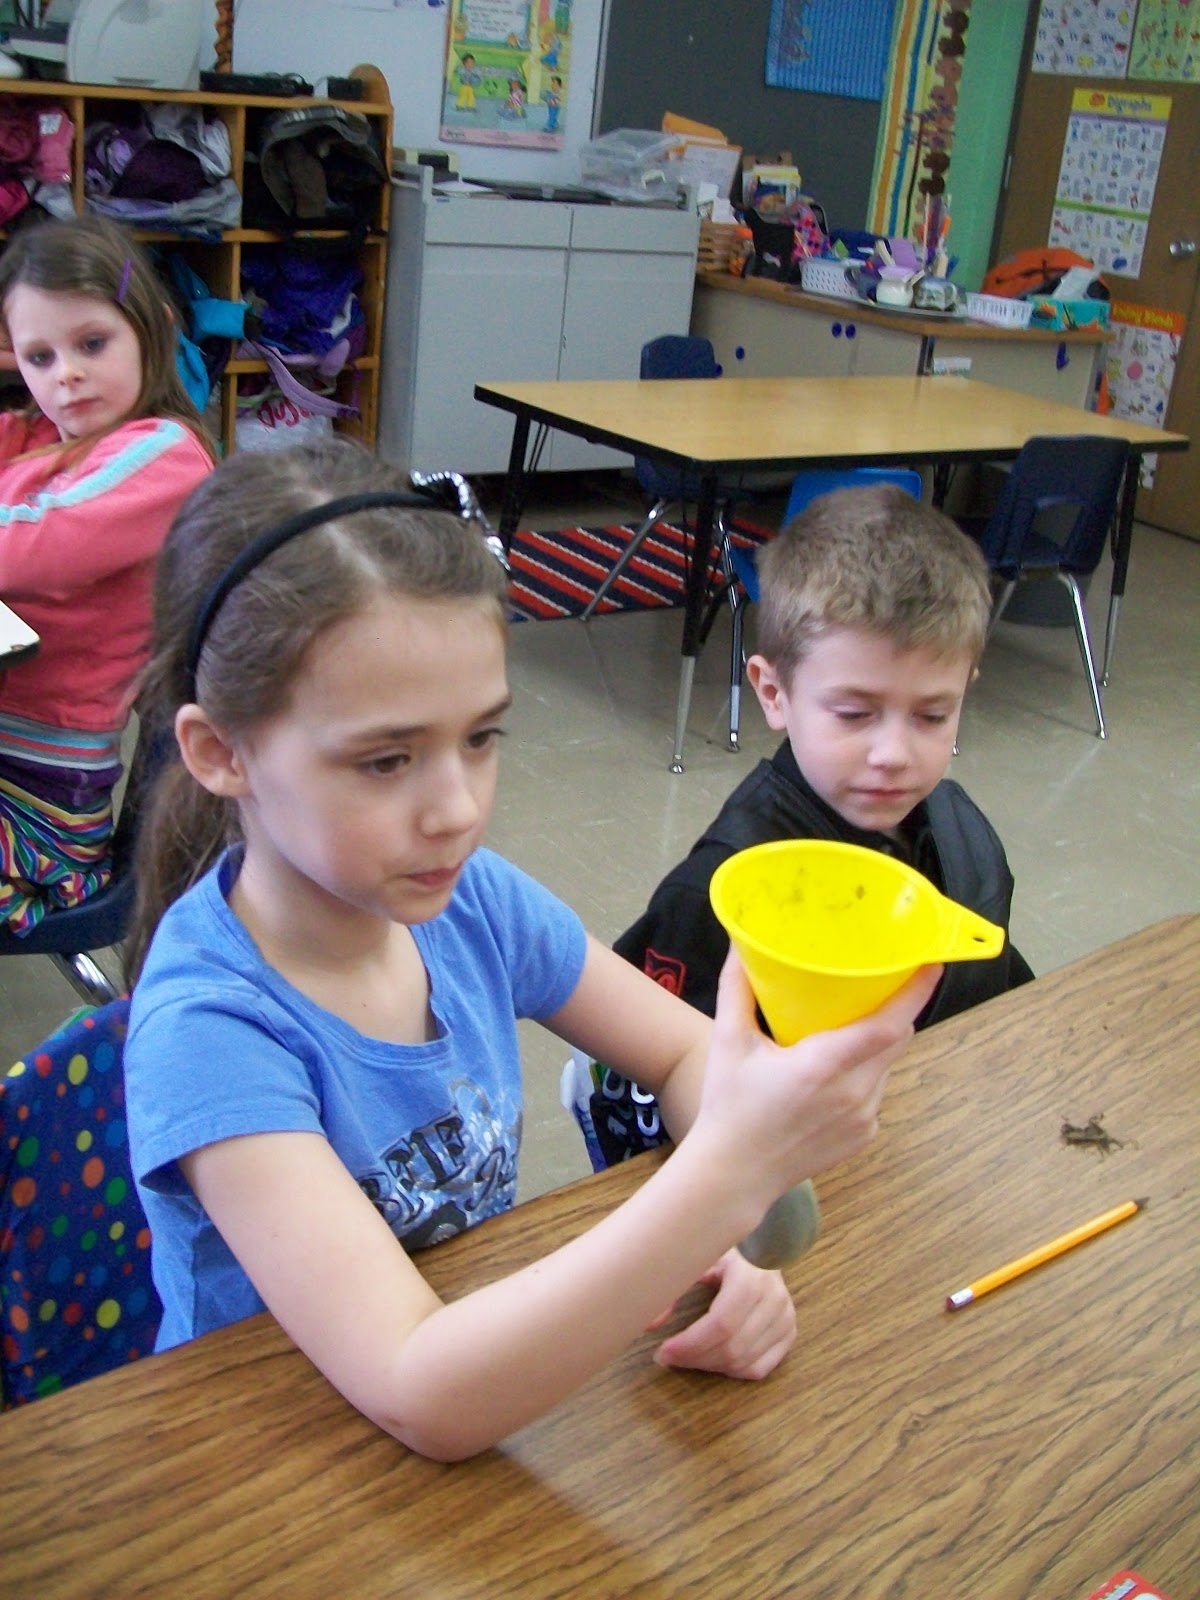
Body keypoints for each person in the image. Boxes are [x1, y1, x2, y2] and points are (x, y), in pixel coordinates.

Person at [122, 439, 938, 1462]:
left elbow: (689, 1057)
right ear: (220, 752)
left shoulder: (468, 905)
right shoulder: (211, 1032)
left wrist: (721, 1239)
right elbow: (423, 1391)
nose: (458, 809)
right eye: (386, 759)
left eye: (483, 738)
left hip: (471, 1402)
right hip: (273, 1471)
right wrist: (721, 1183)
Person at [584, 483, 1033, 1166]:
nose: (894, 754)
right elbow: (650, 1097)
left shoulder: (965, 839)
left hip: (926, 1148)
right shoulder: (718, 893)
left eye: (932, 715)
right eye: (854, 714)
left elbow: (1005, 1007)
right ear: (774, 693)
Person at [0, 213, 215, 933]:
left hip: (39, 812)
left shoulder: (163, 454)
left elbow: (38, 545)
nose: (66, 375)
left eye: (92, 343)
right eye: (39, 356)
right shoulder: (33, 438)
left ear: (151, 329)